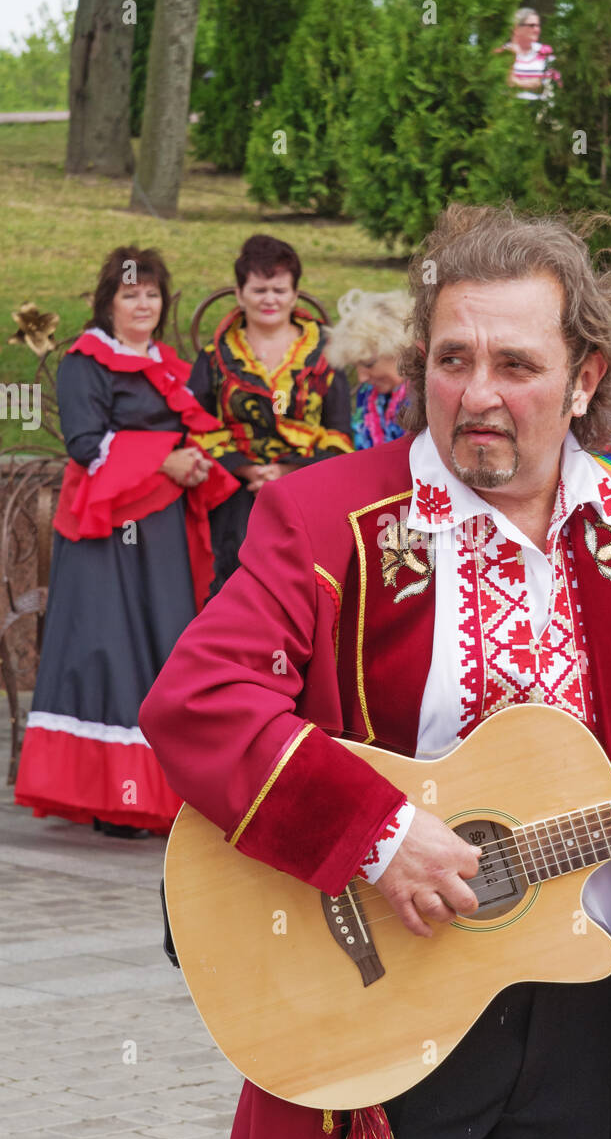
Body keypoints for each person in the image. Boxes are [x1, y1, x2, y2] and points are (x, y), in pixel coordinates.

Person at [141, 205, 611, 1139]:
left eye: (515, 365)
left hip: (603, 1016)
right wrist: (377, 834)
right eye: (451, 360)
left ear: (584, 375)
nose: (476, 395)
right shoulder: (327, 515)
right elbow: (199, 699)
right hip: (386, 999)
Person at [14, 246, 237, 837]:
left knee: (165, 642)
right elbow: (86, 446)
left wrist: (195, 464)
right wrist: (169, 460)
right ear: (108, 301)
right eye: (131, 294)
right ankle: (111, 795)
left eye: (152, 294)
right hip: (107, 528)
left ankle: (161, 790)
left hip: (164, 529)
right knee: (108, 646)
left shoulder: (171, 362)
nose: (143, 304)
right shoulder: (85, 361)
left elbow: (199, 435)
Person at [188, 234, 352, 591]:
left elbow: (340, 433)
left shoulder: (325, 354)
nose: (270, 300)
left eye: (279, 290)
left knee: (302, 591)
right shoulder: (215, 358)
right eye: (259, 290)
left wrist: (288, 472)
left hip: (308, 487)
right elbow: (196, 425)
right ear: (239, 294)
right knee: (233, 591)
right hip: (234, 489)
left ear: (295, 294)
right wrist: (250, 470)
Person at [324, 288, 410, 449]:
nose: (362, 377)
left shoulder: (428, 402)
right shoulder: (369, 394)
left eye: (369, 364)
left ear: (401, 351)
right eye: (355, 366)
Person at [494, 8, 559, 100]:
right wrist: (531, 83)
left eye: (538, 26)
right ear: (517, 28)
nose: (537, 29)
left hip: (539, 109)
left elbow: (547, 85)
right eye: (532, 25)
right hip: (507, 109)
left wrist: (516, 81)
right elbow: (502, 84)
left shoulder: (545, 52)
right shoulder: (502, 53)